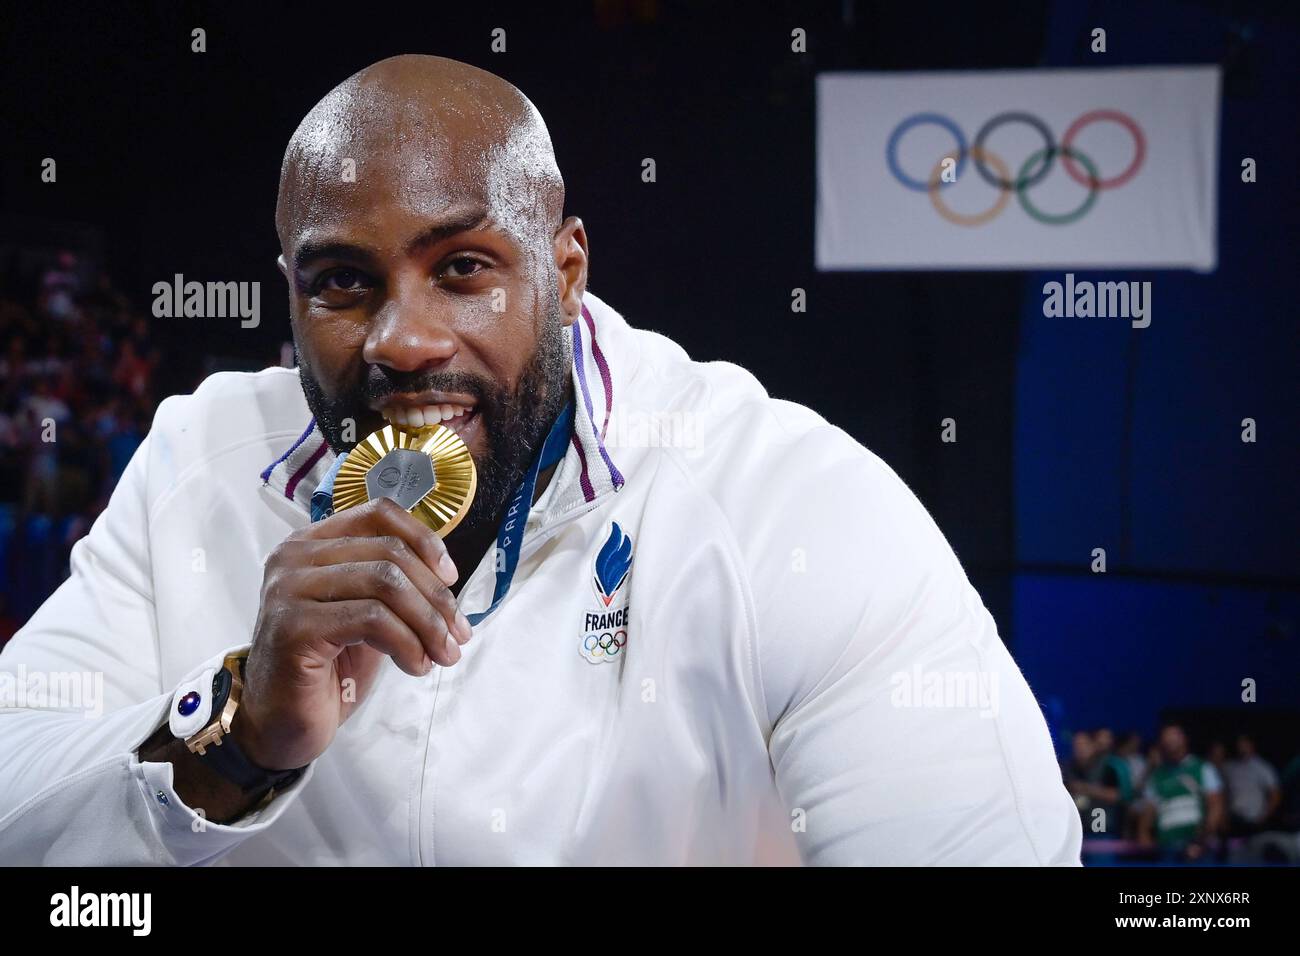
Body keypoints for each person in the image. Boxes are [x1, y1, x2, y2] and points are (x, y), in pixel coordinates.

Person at [0, 55, 1080, 866]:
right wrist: (236, 734)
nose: (400, 340)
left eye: (462, 268)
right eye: (340, 281)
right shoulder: (200, 462)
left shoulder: (791, 508)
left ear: (564, 272)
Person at [1138, 723, 1225, 862]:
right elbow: (1149, 811)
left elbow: (1216, 805)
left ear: (1184, 739)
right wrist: (1144, 835)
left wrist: (1200, 841)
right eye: (1165, 738)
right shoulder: (1156, 776)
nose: (1170, 741)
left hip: (1198, 847)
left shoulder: (1203, 768)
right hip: (1167, 847)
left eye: (1174, 736)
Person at [1223, 734, 1281, 835]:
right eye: (1239, 744)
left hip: (1254, 820)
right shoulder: (1229, 767)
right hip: (1234, 819)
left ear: (1251, 745)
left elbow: (1275, 794)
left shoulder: (1263, 767)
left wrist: (1264, 817)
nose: (1241, 747)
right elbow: (1222, 792)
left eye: (1244, 744)